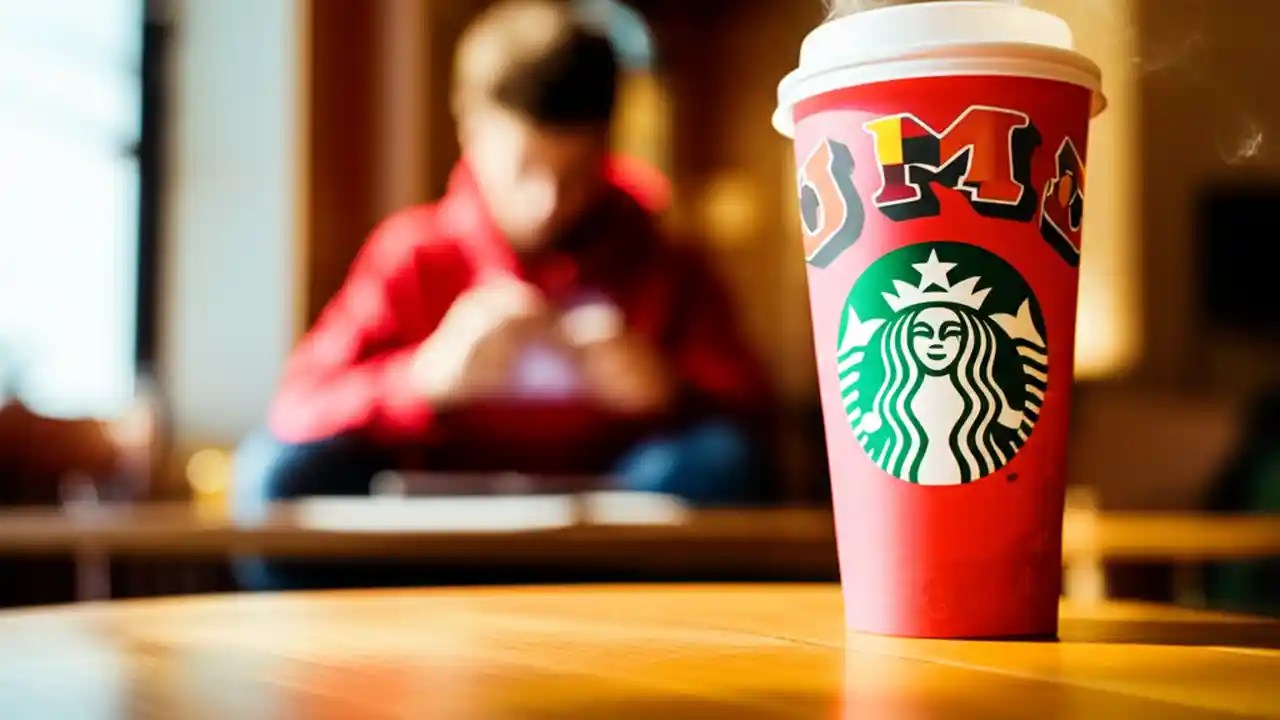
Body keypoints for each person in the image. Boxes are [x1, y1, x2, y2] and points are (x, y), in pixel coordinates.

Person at [233, 0, 771, 588]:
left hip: (608, 545)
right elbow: (297, 407)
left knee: (722, 460)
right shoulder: (414, 254)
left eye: (575, 175)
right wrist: (422, 379)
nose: (547, 202)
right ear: (470, 131)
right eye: (524, 168)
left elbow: (752, 417)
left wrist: (666, 390)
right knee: (276, 470)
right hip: (429, 539)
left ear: (607, 146)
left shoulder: (663, 261)